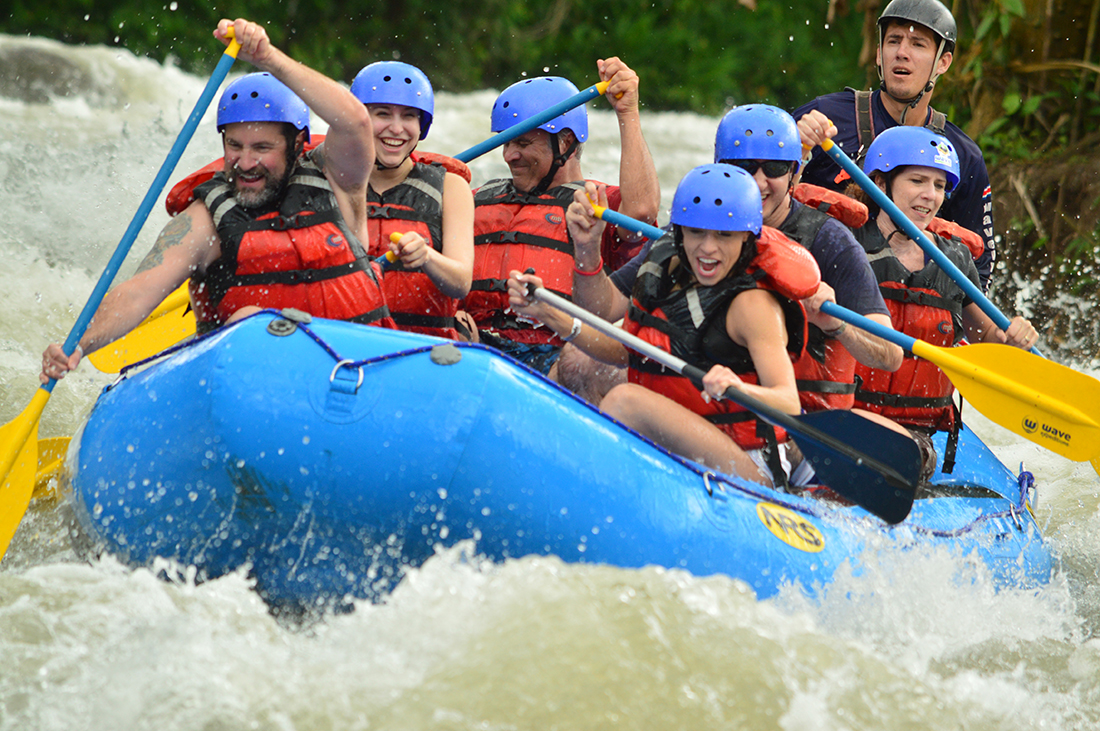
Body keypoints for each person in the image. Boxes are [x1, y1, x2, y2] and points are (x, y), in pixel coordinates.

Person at [41, 18, 391, 383]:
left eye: (262, 148)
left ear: (297, 144)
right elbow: (138, 293)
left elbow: (355, 122)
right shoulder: (205, 220)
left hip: (360, 372)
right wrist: (78, 346)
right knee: (250, 320)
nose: (245, 162)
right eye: (234, 145)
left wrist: (268, 58)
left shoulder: (337, 180)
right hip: (258, 383)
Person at [508, 165, 820, 489]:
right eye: (696, 232)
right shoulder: (669, 272)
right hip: (688, 439)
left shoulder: (753, 305)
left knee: (624, 401)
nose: (708, 248)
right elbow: (626, 351)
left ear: (746, 236)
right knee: (579, 369)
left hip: (749, 464)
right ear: (680, 232)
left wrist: (739, 389)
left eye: (724, 235)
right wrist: (549, 313)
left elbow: (787, 402)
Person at [459, 60, 660, 395]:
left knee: (581, 361)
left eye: (523, 143)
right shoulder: (473, 199)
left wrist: (627, 113)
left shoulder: (597, 203)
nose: (509, 156)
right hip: (476, 349)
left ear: (565, 143)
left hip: (555, 362)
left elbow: (641, 214)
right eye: (506, 143)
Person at [847, 126, 1037, 475]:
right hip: (840, 416)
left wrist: (1013, 339)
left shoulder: (954, 259)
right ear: (881, 182)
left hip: (915, 436)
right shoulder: (846, 244)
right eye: (917, 181)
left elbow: (986, 339)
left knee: (900, 455)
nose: (930, 195)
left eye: (938, 185)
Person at [793, 0, 996, 292]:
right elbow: (759, 198)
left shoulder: (964, 155)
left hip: (909, 302)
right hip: (821, 290)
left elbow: (981, 267)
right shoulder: (824, 117)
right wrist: (798, 149)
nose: (902, 53)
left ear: (943, 62)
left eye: (918, 44)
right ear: (879, 54)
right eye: (893, 41)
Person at [713, 104, 903, 413]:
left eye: (774, 168)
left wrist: (837, 324)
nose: (758, 183)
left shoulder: (830, 240)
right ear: (719, 168)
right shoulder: (696, 227)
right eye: (743, 166)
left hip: (803, 418)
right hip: (713, 398)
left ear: (793, 172)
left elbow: (891, 354)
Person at [349, 61, 474, 340]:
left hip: (422, 344)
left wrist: (427, 256)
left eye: (408, 116)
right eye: (383, 114)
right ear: (358, 120)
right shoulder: (331, 180)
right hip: (345, 339)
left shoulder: (451, 187)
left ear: (421, 125)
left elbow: (461, 282)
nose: (397, 128)